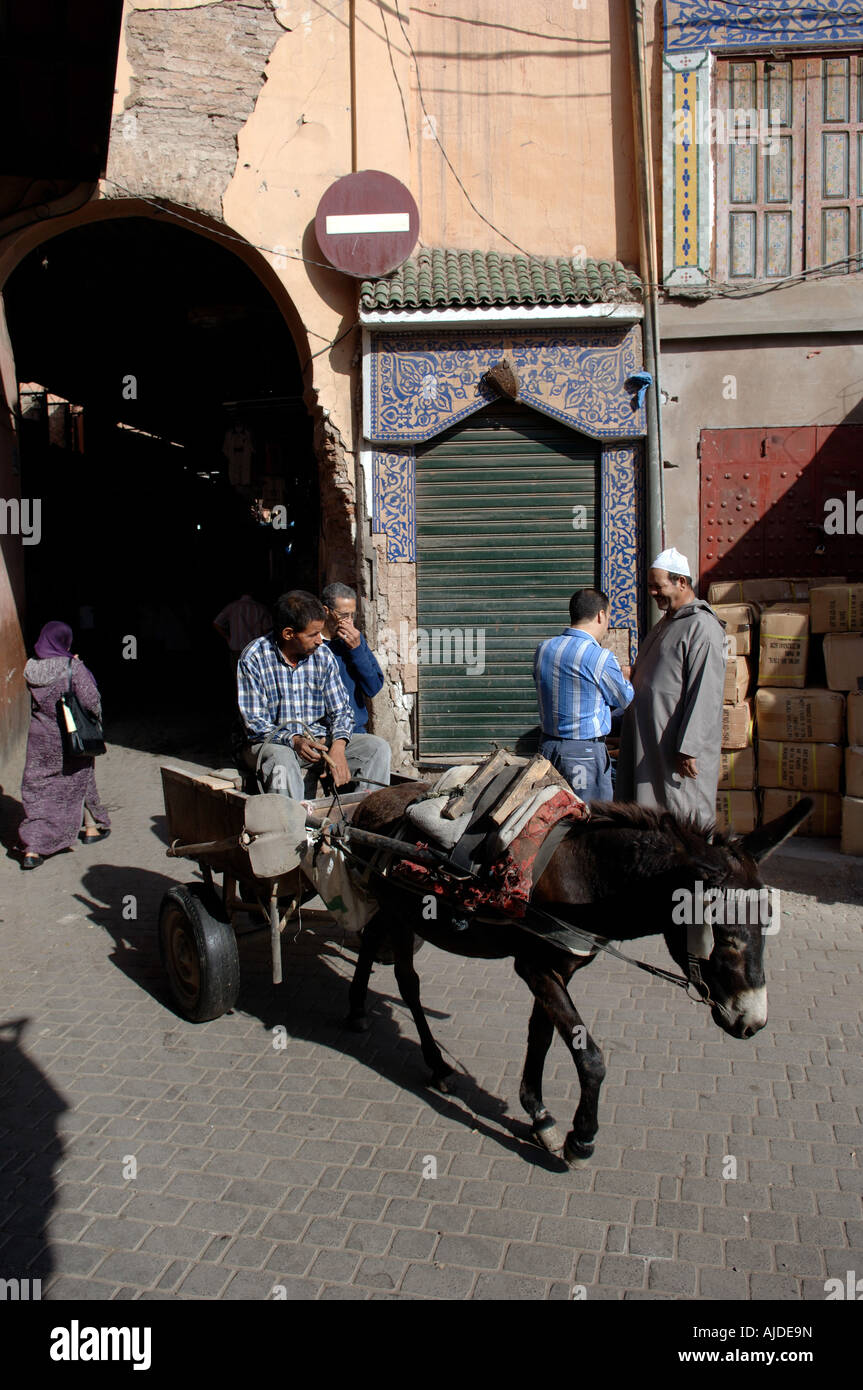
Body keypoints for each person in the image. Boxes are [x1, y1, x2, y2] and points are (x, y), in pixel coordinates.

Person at [237, 590, 390, 798]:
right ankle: (292, 826)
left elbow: (342, 711)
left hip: (319, 743)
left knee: (376, 748)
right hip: (273, 745)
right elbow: (256, 725)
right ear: (288, 634)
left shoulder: (322, 655)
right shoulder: (254, 657)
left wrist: (338, 744)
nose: (320, 640)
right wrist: (295, 740)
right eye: (313, 634)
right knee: (281, 760)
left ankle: (363, 819)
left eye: (320, 632)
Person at [615, 547, 726, 825]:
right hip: (650, 740)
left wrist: (690, 747)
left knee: (682, 815)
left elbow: (706, 691)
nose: (653, 593)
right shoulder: (665, 624)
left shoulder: (703, 627)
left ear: (682, 583)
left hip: (675, 746)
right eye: (650, 586)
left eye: (658, 586)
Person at [17, 621, 111, 870]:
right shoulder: (72, 666)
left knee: (38, 788)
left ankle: (36, 846)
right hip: (69, 735)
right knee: (80, 777)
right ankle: (81, 831)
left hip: (39, 736)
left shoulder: (31, 666)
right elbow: (91, 700)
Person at [534, 588, 634, 802]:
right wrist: (625, 677)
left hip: (547, 749)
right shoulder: (599, 657)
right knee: (589, 820)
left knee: (550, 814)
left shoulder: (544, 649)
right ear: (600, 615)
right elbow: (624, 699)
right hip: (583, 755)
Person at [320, 582, 391, 783]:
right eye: (343, 616)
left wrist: (357, 650)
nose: (349, 622)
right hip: (322, 734)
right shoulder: (311, 644)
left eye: (353, 615)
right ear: (326, 611)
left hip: (354, 734)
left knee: (379, 749)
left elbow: (373, 687)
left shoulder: (355, 642)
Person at [213, 592, 272, 667]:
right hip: (254, 649)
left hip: (236, 648)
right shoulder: (261, 608)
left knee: (238, 676)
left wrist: (228, 638)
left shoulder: (232, 606)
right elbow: (267, 630)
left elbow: (217, 623)